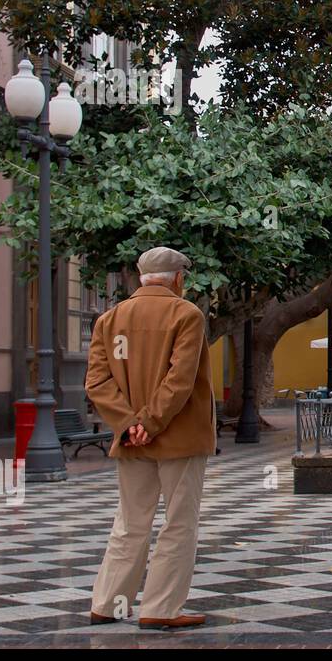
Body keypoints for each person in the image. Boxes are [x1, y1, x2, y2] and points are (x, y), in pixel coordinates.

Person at [85, 247, 216, 630]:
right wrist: (152, 422)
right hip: (179, 437)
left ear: (141, 276)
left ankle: (107, 604)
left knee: (130, 523)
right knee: (178, 522)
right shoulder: (186, 314)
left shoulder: (109, 320)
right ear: (178, 278)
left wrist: (129, 425)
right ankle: (161, 608)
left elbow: (97, 382)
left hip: (131, 441)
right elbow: (180, 379)